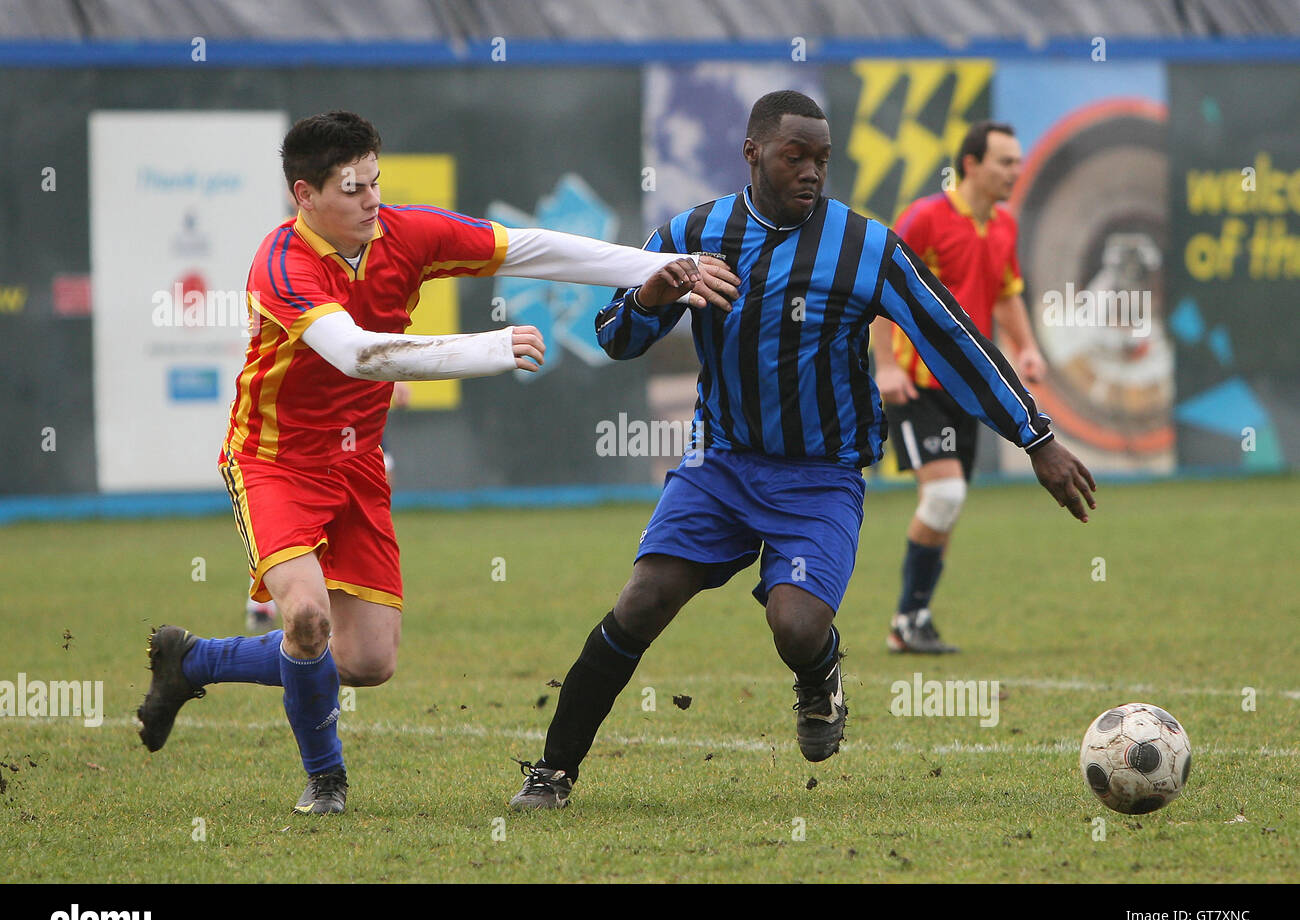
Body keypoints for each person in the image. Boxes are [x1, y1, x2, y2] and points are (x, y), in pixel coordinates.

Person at [136, 110, 739, 815]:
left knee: (367, 663)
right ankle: (325, 782)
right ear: (305, 196)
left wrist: (662, 267)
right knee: (303, 619)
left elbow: (532, 249)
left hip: (358, 464)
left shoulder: (404, 232)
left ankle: (194, 661)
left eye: (375, 182)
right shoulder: (282, 265)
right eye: (353, 187)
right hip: (274, 461)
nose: (371, 200)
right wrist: (487, 348)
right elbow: (357, 353)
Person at [509, 91, 1094, 810]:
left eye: (822, 157)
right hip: (719, 464)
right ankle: (553, 772)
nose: (813, 171)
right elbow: (614, 338)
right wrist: (653, 297)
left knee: (796, 623)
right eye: (795, 156)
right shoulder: (693, 233)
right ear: (752, 153)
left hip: (820, 475)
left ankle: (819, 677)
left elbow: (953, 339)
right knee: (640, 602)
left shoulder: (865, 247)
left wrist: (1036, 437)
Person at [869, 121, 1045, 654]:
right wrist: (886, 367)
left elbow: (1009, 293)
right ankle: (906, 619)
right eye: (1004, 162)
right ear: (970, 164)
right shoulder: (926, 217)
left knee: (948, 501)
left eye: (1017, 161)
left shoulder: (1005, 226)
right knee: (944, 494)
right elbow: (880, 287)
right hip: (918, 383)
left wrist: (1027, 347)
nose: (1014, 171)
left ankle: (914, 619)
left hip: (968, 388)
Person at [243, 381, 410, 633]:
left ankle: (337, 598)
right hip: (307, 415)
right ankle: (263, 599)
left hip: (356, 408)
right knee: (294, 518)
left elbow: (366, 343)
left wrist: (393, 377)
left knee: (382, 481)